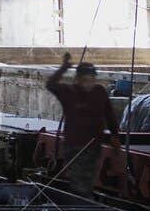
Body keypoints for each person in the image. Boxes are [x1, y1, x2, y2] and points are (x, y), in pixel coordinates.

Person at [46, 53, 123, 195]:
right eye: (85, 79)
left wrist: (115, 135)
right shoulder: (68, 92)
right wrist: (64, 67)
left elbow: (109, 115)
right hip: (74, 146)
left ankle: (83, 199)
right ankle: (81, 202)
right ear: (77, 78)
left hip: (94, 145)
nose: (88, 83)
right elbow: (50, 84)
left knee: (89, 178)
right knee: (80, 182)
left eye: (92, 79)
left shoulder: (99, 91)